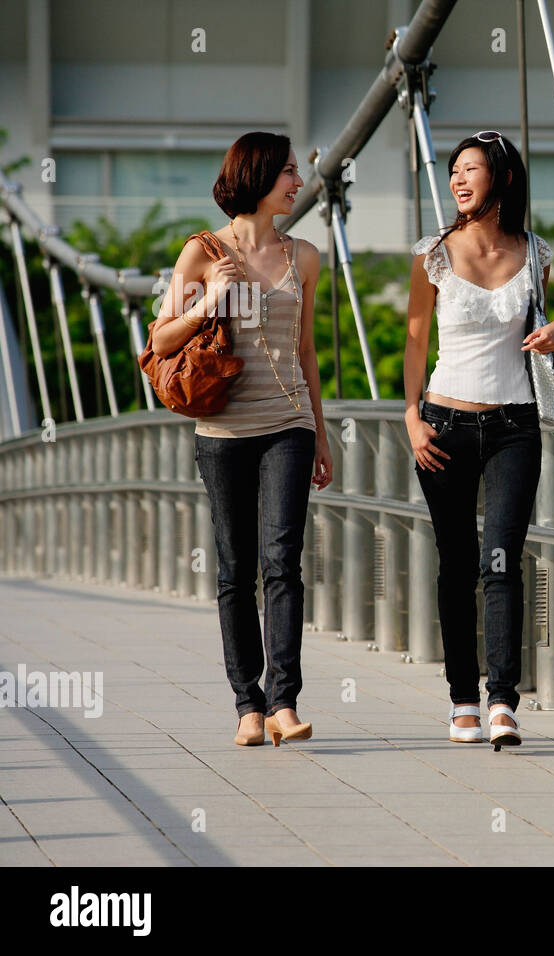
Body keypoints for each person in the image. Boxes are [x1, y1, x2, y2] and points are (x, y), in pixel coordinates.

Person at [152, 131, 333, 748]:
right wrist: (212, 303)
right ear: (257, 177)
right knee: (236, 567)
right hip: (223, 429)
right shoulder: (201, 254)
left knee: (282, 559)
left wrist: (322, 433)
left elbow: (307, 351)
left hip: (289, 424)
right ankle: (246, 706)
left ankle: (285, 701)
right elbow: (158, 343)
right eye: (287, 172)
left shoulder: (304, 256)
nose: (297, 181)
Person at [404, 131, 554, 748]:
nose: (458, 181)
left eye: (471, 170)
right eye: (454, 172)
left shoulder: (536, 253)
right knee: (457, 565)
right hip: (443, 422)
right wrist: (411, 417)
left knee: (501, 560)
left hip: (514, 426)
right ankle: (461, 700)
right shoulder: (433, 255)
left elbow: (545, 325)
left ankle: (503, 702)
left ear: (503, 178)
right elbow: (416, 342)